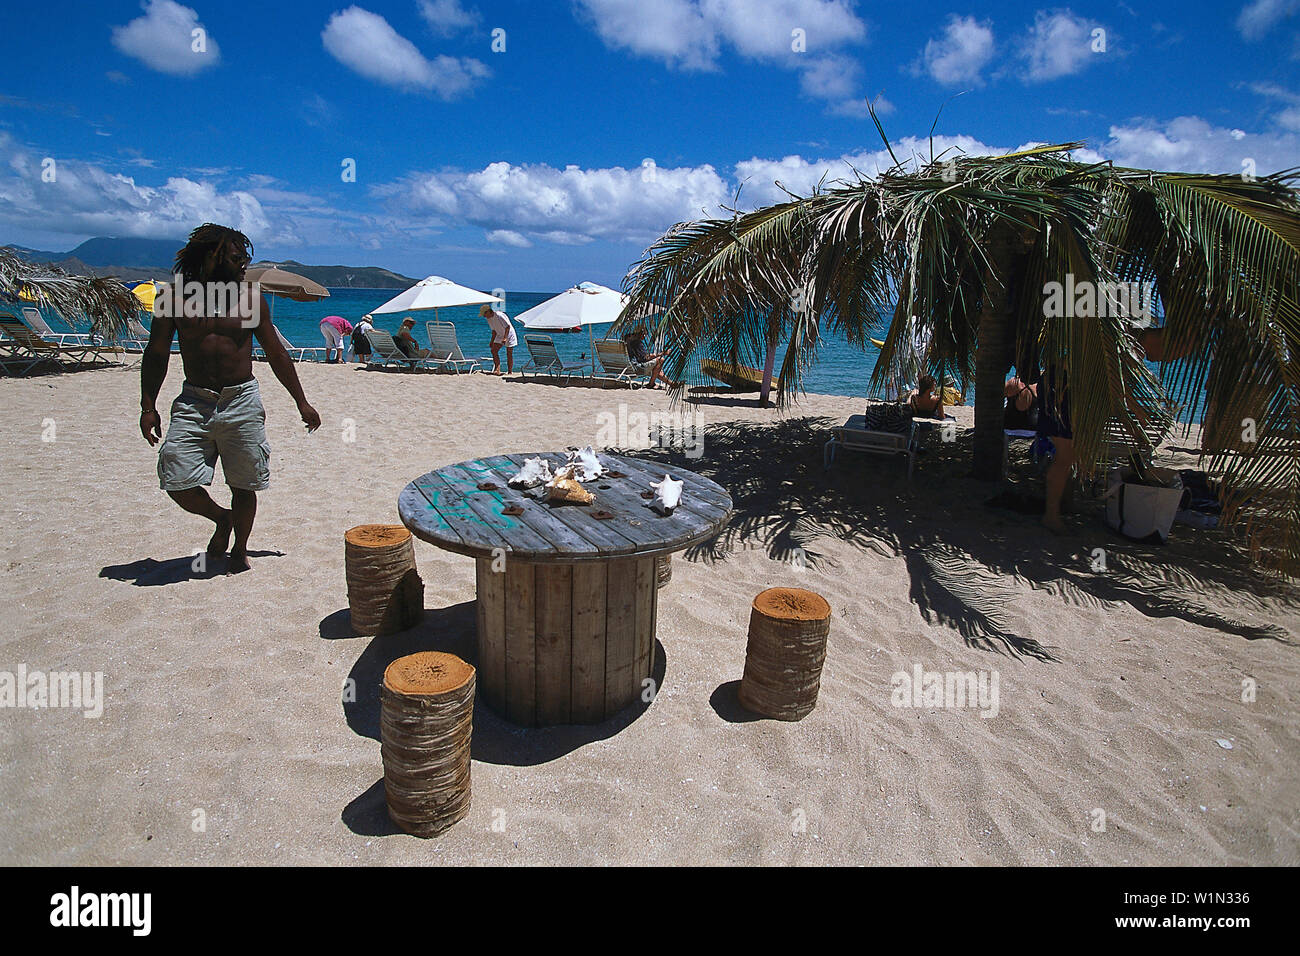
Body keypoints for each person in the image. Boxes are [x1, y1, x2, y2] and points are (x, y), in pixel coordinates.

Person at [140, 223, 321, 573]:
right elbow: (157, 353)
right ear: (212, 256)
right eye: (237, 257)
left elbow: (275, 352)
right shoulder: (172, 299)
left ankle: (240, 547)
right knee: (176, 478)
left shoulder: (250, 299)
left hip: (241, 400)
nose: (243, 264)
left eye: (245, 258)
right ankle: (222, 519)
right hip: (194, 400)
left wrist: (301, 400)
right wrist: (149, 406)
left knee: (244, 481)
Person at [1036, 364, 1074, 535]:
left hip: (1057, 384)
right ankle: (1051, 515)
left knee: (1067, 456)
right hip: (1061, 387)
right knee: (1065, 456)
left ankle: (1056, 510)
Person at [480, 304, 516, 375]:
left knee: (509, 353)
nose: (484, 316)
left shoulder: (499, 315)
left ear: (488, 312)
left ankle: (510, 371)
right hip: (499, 334)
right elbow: (493, 331)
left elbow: (507, 327)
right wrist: (492, 341)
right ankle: (497, 369)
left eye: (484, 314)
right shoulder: (489, 319)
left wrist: (505, 338)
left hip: (509, 334)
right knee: (493, 350)